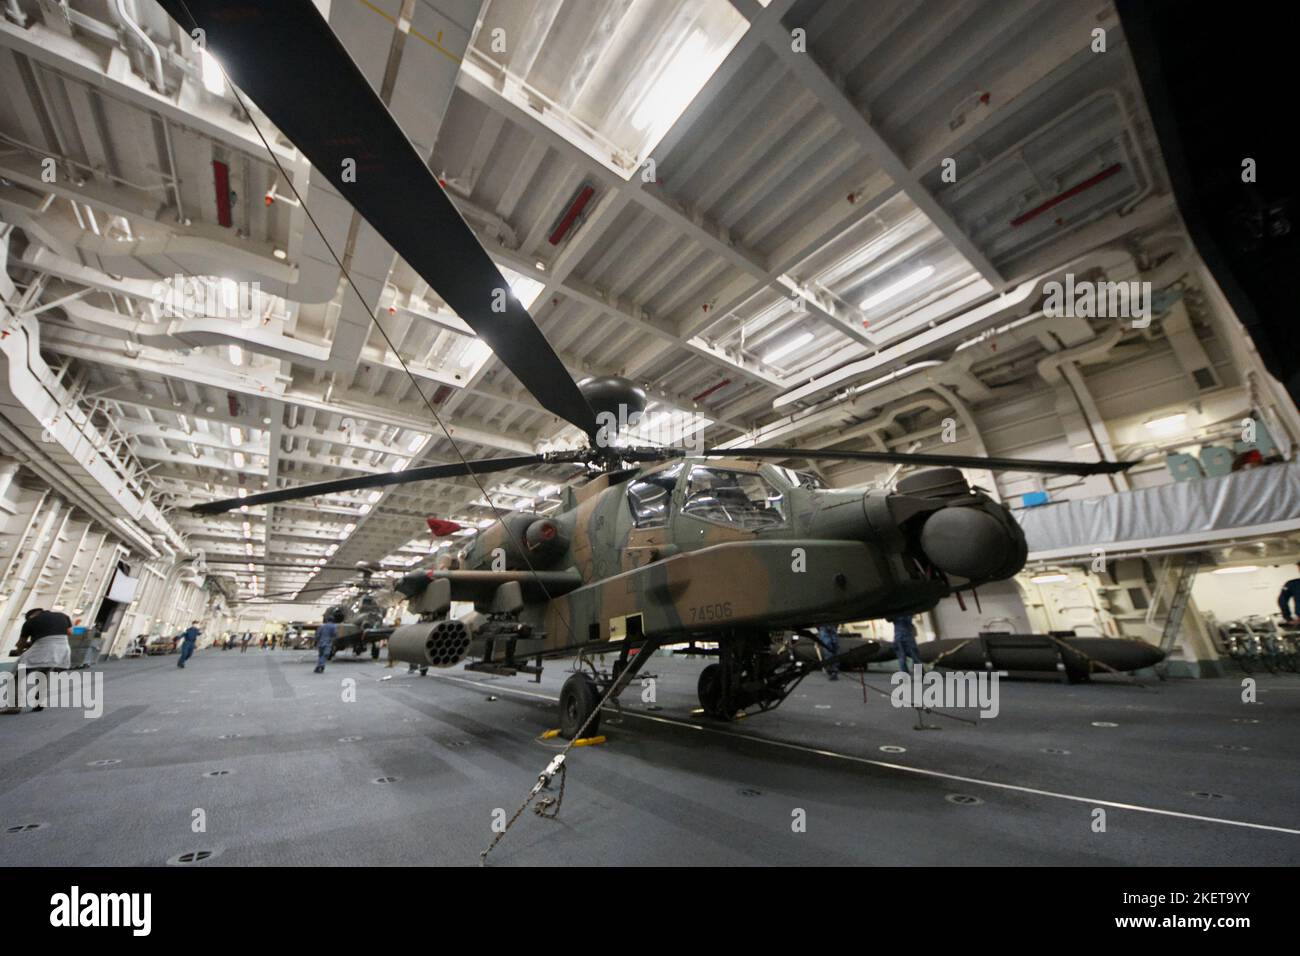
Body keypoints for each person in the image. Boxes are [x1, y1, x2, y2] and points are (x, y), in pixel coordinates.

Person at [5, 607, 73, 713]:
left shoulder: (30, 622)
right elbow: (69, 632)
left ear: (31, 615)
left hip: (42, 650)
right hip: (61, 650)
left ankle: (15, 706)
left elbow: (21, 642)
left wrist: (19, 650)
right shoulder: (63, 616)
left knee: (16, 676)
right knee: (43, 675)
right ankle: (40, 702)